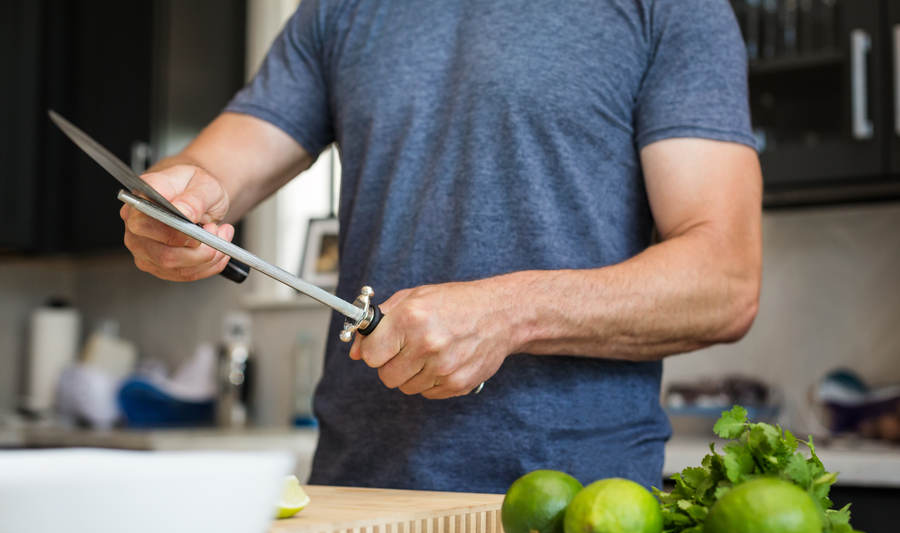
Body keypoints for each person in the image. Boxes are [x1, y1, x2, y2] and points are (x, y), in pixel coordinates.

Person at [120, 0, 762, 494]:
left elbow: (725, 281)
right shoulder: (340, 9)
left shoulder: (672, 8)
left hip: (579, 518)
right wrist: (179, 203)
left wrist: (511, 314)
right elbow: (214, 171)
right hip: (358, 500)